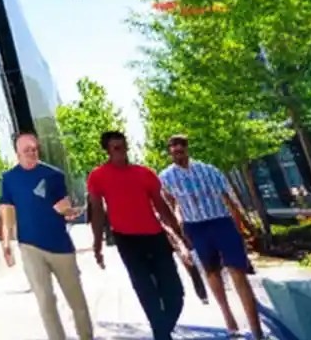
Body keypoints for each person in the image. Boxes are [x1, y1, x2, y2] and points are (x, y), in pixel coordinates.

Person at [160, 135, 265, 339]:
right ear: (170, 153)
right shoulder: (165, 177)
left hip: (221, 222)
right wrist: (181, 233)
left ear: (187, 149)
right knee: (212, 271)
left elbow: (228, 200)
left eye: (180, 150)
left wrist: (243, 225)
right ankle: (230, 322)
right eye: (174, 152)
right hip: (196, 227)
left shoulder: (209, 171)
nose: (178, 154)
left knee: (238, 271)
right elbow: (172, 205)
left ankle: (257, 331)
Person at [88, 131, 189, 340]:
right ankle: (162, 336)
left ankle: (162, 331)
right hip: (127, 240)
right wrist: (97, 244)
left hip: (155, 236)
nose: (121, 151)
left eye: (123, 146)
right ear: (107, 151)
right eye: (116, 148)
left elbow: (161, 207)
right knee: (147, 291)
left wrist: (180, 235)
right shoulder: (98, 176)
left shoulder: (144, 173)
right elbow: (97, 211)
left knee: (175, 294)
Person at [0, 132, 94, 340]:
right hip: (30, 247)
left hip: (60, 247)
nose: (32, 153)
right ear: (17, 153)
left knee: (76, 299)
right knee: (45, 301)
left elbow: (63, 204)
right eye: (26, 150)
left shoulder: (53, 175)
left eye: (34, 149)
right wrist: (5, 243)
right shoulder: (9, 179)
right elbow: (7, 211)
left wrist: (68, 211)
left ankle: (86, 336)